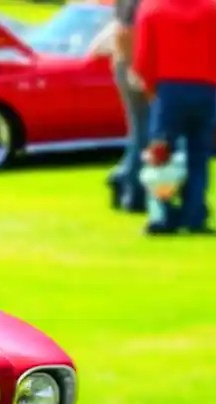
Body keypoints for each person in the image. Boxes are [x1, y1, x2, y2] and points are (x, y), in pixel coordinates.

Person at [133, 0, 216, 234]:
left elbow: (144, 55)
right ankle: (194, 215)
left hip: (169, 87)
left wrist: (150, 89)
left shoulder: (152, 8)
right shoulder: (212, 9)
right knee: (198, 156)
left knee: (160, 154)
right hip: (206, 87)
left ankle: (161, 214)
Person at [99, 0, 150, 213]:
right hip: (134, 65)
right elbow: (124, 31)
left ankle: (122, 176)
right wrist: (133, 68)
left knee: (141, 132)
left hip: (132, 63)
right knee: (143, 132)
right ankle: (134, 192)